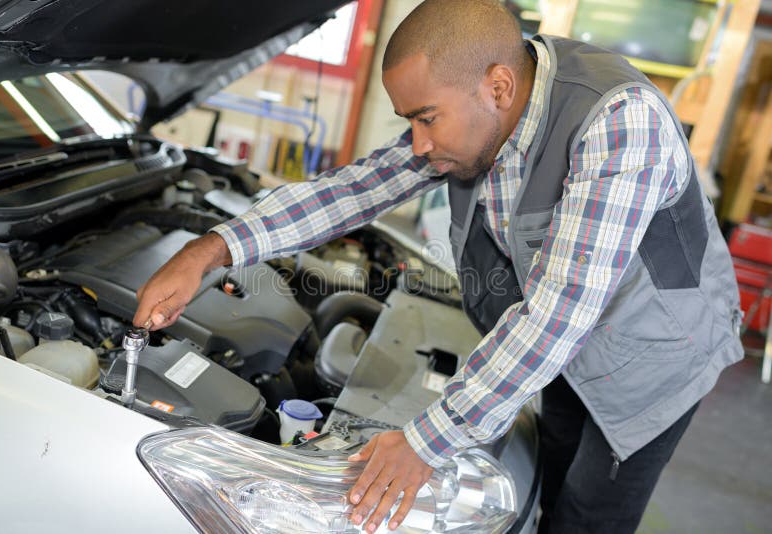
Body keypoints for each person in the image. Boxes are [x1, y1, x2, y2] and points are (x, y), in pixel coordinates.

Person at [134, 1, 744, 532]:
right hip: (569, 352)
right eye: (410, 122)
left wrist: (425, 443)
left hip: (652, 359)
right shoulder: (482, 104)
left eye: (426, 117)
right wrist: (210, 249)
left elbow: (559, 313)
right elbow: (353, 191)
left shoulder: (618, 122)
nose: (419, 144)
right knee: (551, 481)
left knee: (588, 514)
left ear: (498, 88)